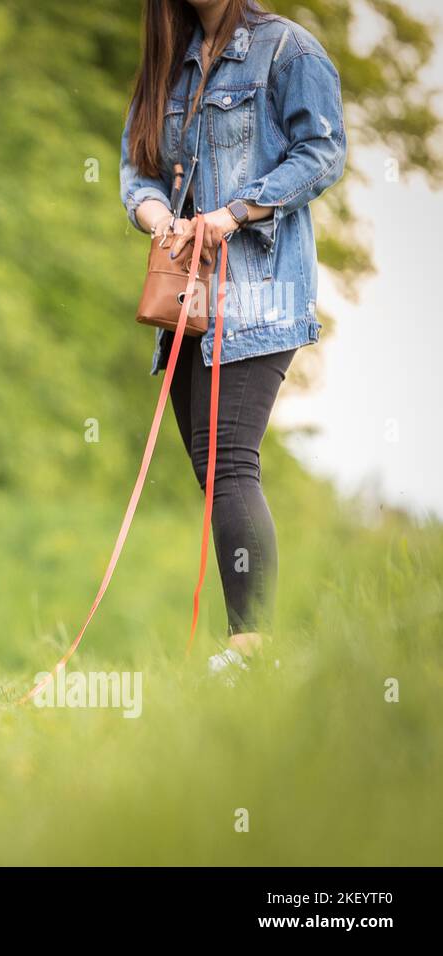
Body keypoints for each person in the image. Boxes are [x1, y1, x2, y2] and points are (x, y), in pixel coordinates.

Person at [119, 0, 346, 676]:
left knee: (228, 459)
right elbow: (139, 171)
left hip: (261, 288)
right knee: (210, 463)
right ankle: (252, 642)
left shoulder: (288, 49)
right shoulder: (171, 59)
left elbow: (323, 151)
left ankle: (252, 648)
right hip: (190, 295)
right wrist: (164, 218)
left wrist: (234, 212)